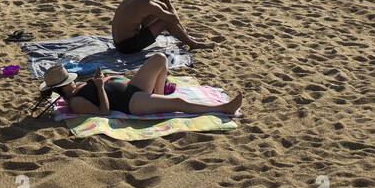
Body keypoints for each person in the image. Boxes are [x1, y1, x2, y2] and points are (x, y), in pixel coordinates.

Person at [40, 56, 241, 118]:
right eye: (70, 80)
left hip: (132, 88)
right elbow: (104, 112)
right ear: (64, 86)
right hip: (132, 102)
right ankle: (224, 108)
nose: (74, 81)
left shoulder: (76, 90)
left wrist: (106, 80)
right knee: (179, 102)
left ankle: (159, 98)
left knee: (160, 59)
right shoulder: (76, 103)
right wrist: (100, 86)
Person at [112, 0, 214, 53]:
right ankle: (193, 44)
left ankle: (187, 37)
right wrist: (168, 2)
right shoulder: (148, 5)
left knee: (163, 10)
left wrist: (164, 3)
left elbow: (159, 7)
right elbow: (175, 19)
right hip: (127, 47)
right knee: (166, 21)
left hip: (118, 43)